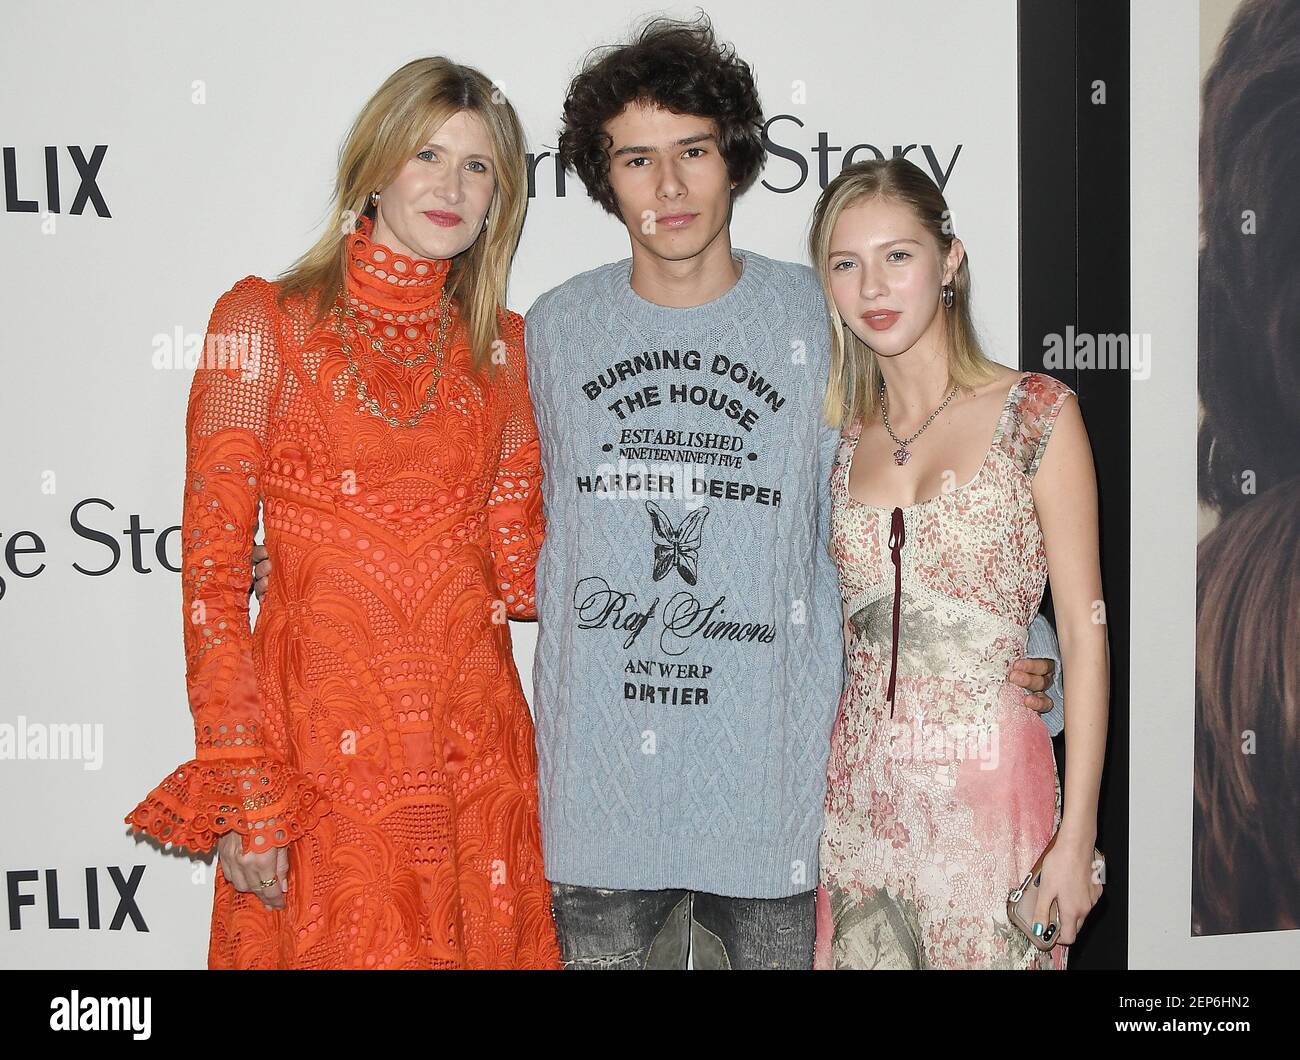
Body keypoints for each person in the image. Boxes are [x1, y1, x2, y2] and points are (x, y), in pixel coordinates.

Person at [520, 15, 1067, 969]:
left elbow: (912, 468)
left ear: (734, 160)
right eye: (635, 160)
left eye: (693, 150)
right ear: (601, 178)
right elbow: (488, 499)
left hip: (776, 799)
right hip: (600, 799)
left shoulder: (820, 317)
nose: (670, 186)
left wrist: (1021, 642)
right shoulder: (554, 332)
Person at [124, 57, 560, 969]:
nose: (450, 186)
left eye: (477, 167)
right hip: (318, 769)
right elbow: (210, 582)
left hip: (475, 775)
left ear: (501, 198)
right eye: (427, 155)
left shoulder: (507, 354)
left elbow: (524, 575)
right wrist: (246, 792)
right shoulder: (263, 323)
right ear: (374, 167)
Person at [809, 158, 1108, 969]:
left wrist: (1076, 838)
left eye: (898, 255)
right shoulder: (837, 440)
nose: (872, 283)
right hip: (861, 806)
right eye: (846, 263)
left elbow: (1083, 637)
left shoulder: (1037, 414)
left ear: (950, 262)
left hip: (993, 801)